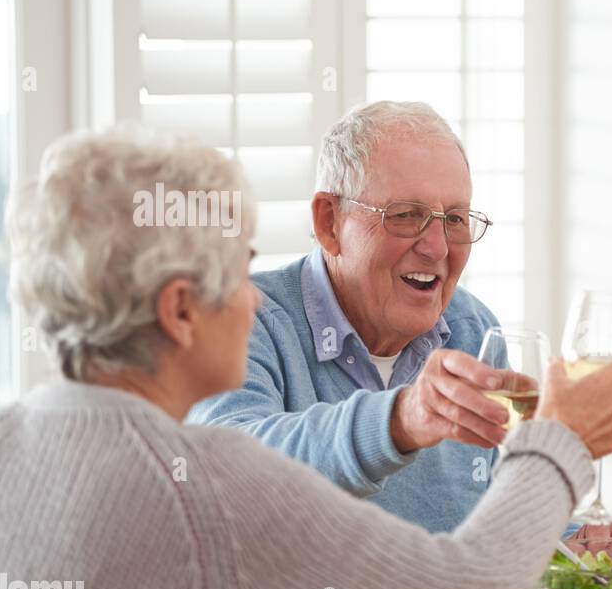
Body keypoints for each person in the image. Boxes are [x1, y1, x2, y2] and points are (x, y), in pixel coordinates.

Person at [0, 125, 612, 589]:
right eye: (240, 270)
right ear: (181, 311)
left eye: (455, 218)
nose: (254, 298)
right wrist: (560, 442)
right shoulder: (215, 486)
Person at [189, 100, 527, 533]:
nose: (438, 248)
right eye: (406, 215)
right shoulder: (242, 320)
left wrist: (580, 543)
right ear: (330, 223)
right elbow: (227, 473)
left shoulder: (473, 328)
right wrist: (399, 420)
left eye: (456, 219)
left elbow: (510, 511)